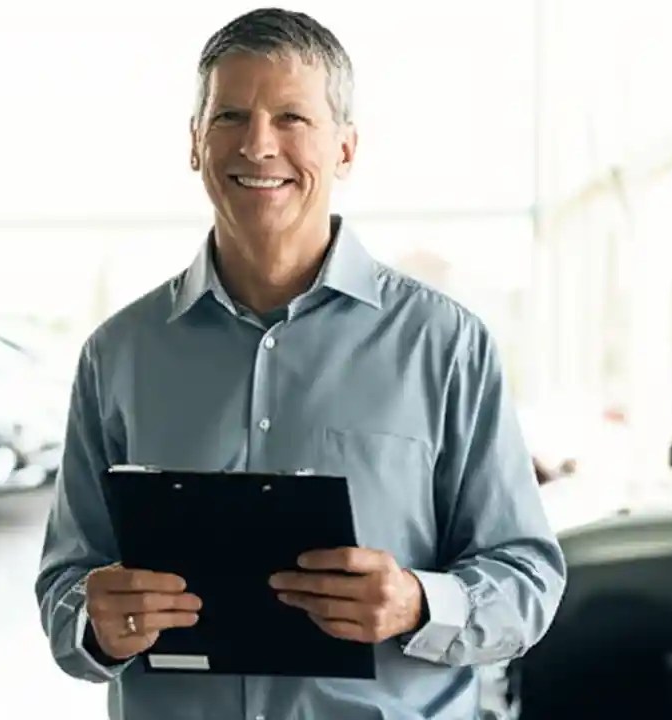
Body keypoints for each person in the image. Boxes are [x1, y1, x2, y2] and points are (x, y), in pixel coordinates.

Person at [34, 7, 566, 719]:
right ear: (195, 144)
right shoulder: (118, 354)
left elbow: (528, 578)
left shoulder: (445, 345)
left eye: (292, 118)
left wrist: (418, 601)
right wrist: (91, 623)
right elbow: (67, 580)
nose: (258, 145)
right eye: (229, 117)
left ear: (345, 149)